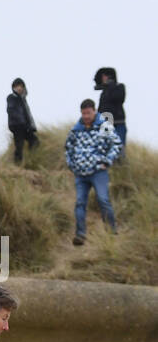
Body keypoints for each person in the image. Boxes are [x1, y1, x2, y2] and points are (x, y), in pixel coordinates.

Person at [65, 98, 122, 245]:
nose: (85, 116)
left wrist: (107, 161)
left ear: (94, 111)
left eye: (88, 113)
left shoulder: (104, 126)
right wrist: (72, 165)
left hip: (98, 172)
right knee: (79, 203)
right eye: (83, 113)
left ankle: (111, 232)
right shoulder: (76, 129)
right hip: (80, 174)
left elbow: (116, 144)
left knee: (103, 200)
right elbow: (68, 148)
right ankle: (80, 235)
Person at [94, 67, 126, 153]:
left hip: (118, 124)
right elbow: (101, 110)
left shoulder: (119, 87)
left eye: (104, 76)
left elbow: (119, 98)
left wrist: (110, 84)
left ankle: (121, 166)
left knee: (119, 151)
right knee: (104, 150)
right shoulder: (104, 92)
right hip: (106, 125)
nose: (103, 78)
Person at [6, 78, 37, 165]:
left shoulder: (23, 99)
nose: (19, 88)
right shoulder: (12, 97)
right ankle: (17, 166)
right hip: (17, 126)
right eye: (16, 86)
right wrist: (21, 122)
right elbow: (12, 110)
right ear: (13, 87)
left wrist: (31, 126)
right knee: (19, 145)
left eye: (21, 86)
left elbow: (27, 114)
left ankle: (32, 159)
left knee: (34, 141)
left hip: (25, 126)